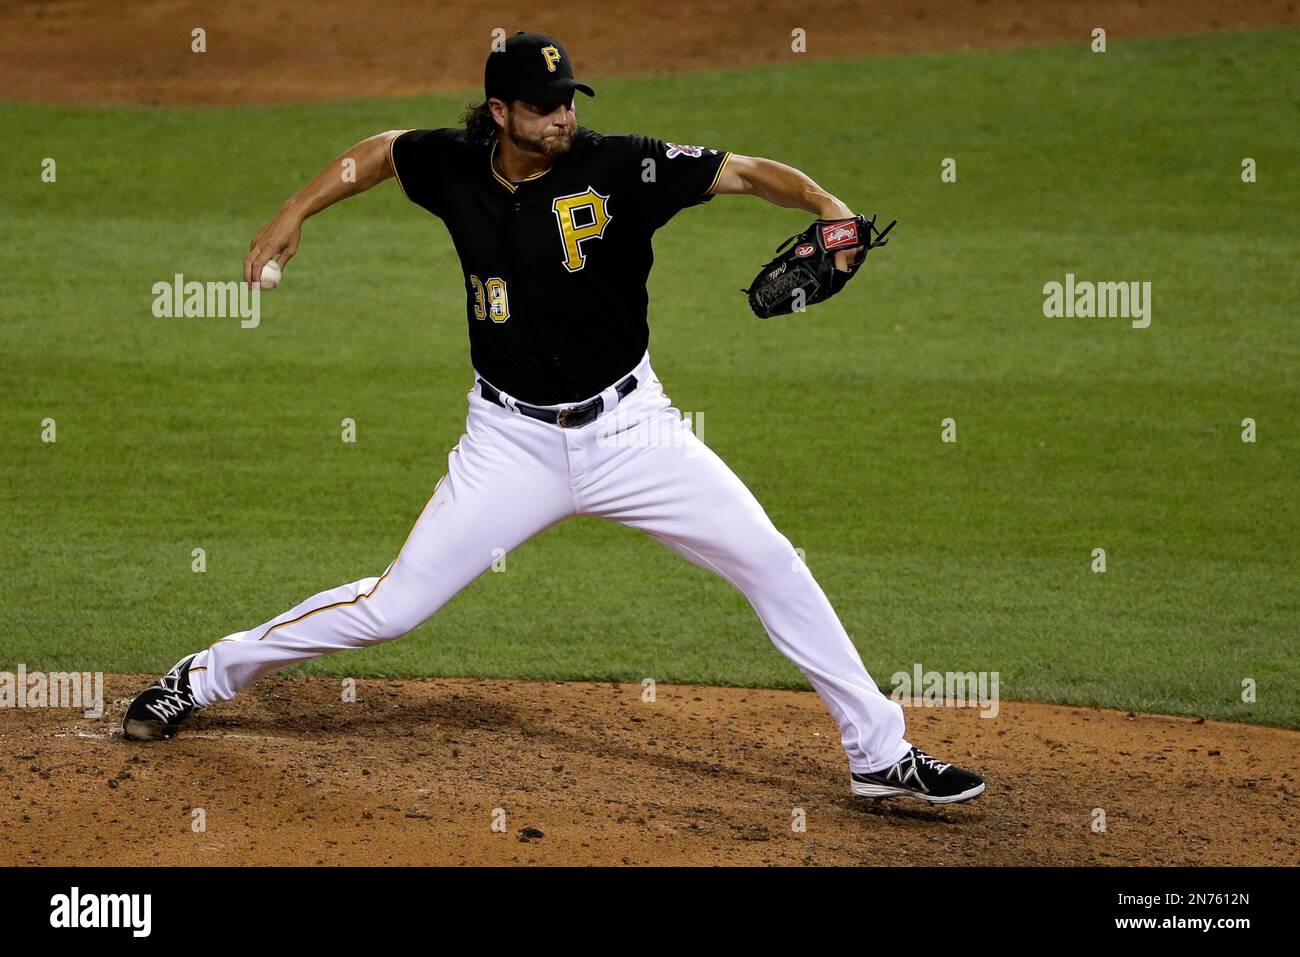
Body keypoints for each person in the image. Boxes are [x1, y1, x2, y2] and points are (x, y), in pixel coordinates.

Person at [124, 32, 985, 806]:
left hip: (634, 430)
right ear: (499, 112)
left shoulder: (625, 164)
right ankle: (199, 677)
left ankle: (879, 752)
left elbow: (746, 171)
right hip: (509, 443)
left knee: (771, 562)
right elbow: (382, 152)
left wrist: (830, 208)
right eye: (542, 106)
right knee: (392, 609)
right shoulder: (455, 164)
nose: (562, 115)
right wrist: (295, 209)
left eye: (569, 99)